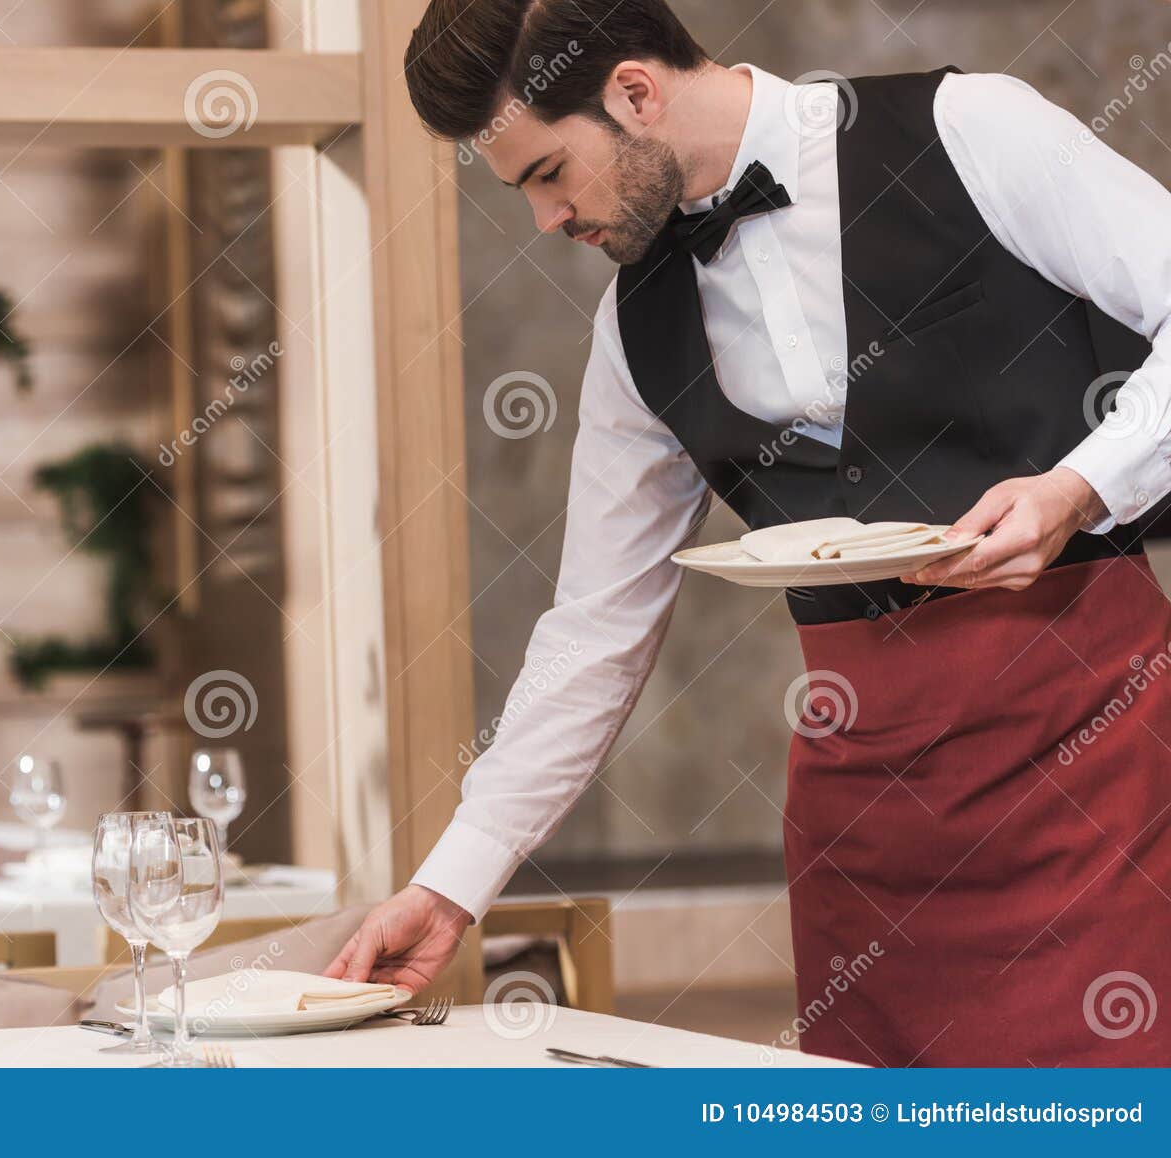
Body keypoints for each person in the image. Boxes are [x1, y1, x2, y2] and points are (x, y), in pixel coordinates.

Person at [327, 0, 1171, 1066]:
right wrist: (450, 888)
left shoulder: (972, 130)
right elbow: (594, 629)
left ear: (634, 92)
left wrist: (1083, 485)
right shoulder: (633, 333)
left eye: (547, 175)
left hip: (1093, 759)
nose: (545, 220)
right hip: (865, 815)